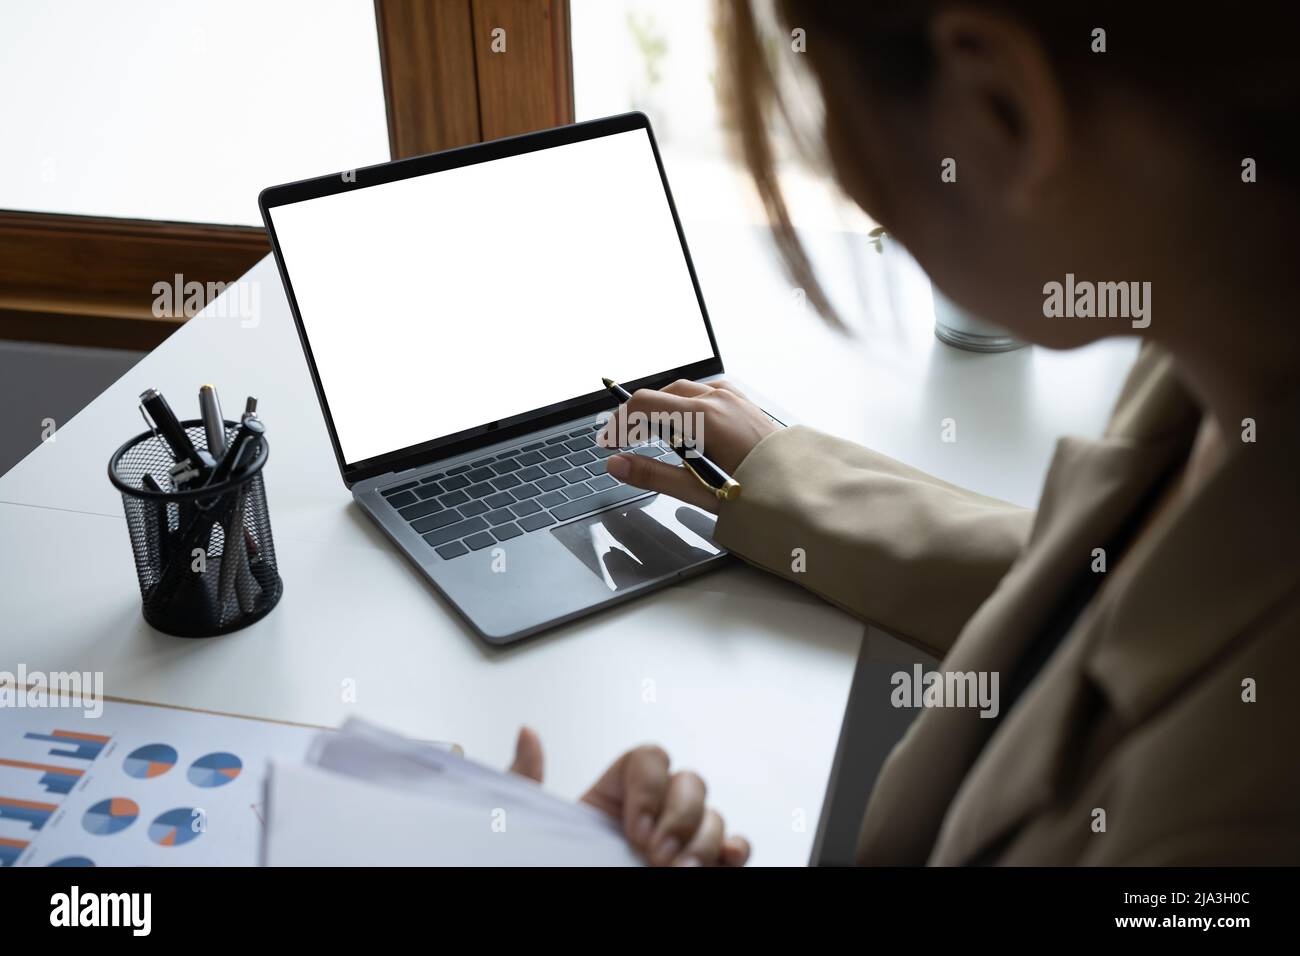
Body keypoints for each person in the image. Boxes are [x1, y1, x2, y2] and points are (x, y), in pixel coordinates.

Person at [508, 0, 1300, 865]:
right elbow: (1098, 583)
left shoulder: (1238, 814)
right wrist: (782, 476)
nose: (847, 173)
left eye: (819, 94)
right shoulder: (1212, 362)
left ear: (999, 104)